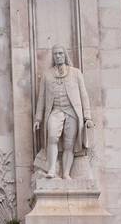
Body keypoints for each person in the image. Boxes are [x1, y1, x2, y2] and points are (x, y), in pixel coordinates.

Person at [34, 46, 93, 180]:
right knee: (52, 137)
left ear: (65, 55)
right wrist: (38, 119)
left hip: (72, 112)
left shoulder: (76, 73)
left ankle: (66, 173)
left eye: (60, 53)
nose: (58, 56)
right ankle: (51, 169)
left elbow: (84, 95)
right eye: (55, 54)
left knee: (69, 144)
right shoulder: (47, 74)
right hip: (55, 111)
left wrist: (87, 117)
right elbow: (41, 98)